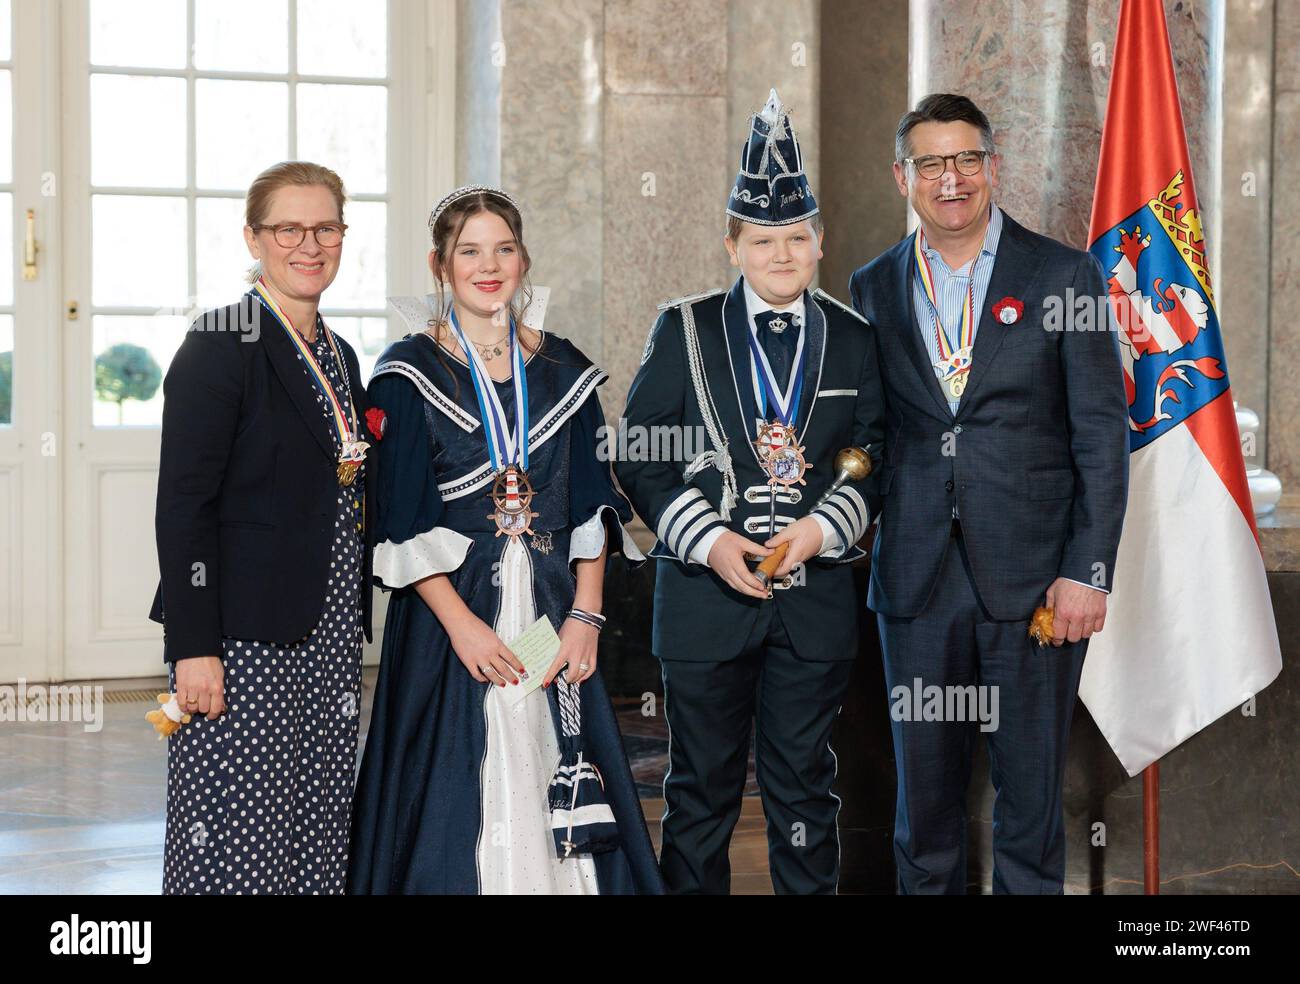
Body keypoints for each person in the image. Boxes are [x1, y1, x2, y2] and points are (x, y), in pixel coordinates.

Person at [848, 93, 1129, 894]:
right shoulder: (870, 285)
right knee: (923, 809)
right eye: (931, 162)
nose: (952, 178)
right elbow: (869, 435)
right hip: (915, 581)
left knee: (1030, 803)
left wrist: (1089, 570)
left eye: (968, 158)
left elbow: (1102, 436)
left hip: (1037, 581)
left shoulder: (1064, 274)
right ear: (902, 176)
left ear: (994, 167)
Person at [347, 186, 662, 895]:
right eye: (470, 251)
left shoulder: (563, 370)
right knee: (452, 773)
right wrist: (461, 629)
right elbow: (401, 521)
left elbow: (591, 507)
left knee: (558, 743)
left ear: (523, 258)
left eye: (504, 249)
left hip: (550, 605)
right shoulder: (406, 373)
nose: (489, 266)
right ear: (440, 264)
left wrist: (585, 617)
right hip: (448, 617)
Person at [616, 90, 885, 894]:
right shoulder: (686, 326)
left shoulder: (856, 335)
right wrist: (708, 539)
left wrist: (821, 531)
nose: (781, 254)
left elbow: (871, 452)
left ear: (820, 243)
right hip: (705, 597)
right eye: (762, 240)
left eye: (796, 238)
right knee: (699, 792)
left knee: (806, 789)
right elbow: (639, 451)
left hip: (815, 598)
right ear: (731, 245)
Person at [150, 160, 377, 894]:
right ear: (254, 236)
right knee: (239, 831)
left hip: (330, 632)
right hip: (243, 640)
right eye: (288, 228)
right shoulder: (219, 344)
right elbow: (184, 509)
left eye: (326, 227)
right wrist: (192, 650)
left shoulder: (340, 357)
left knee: (315, 821)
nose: (309, 244)